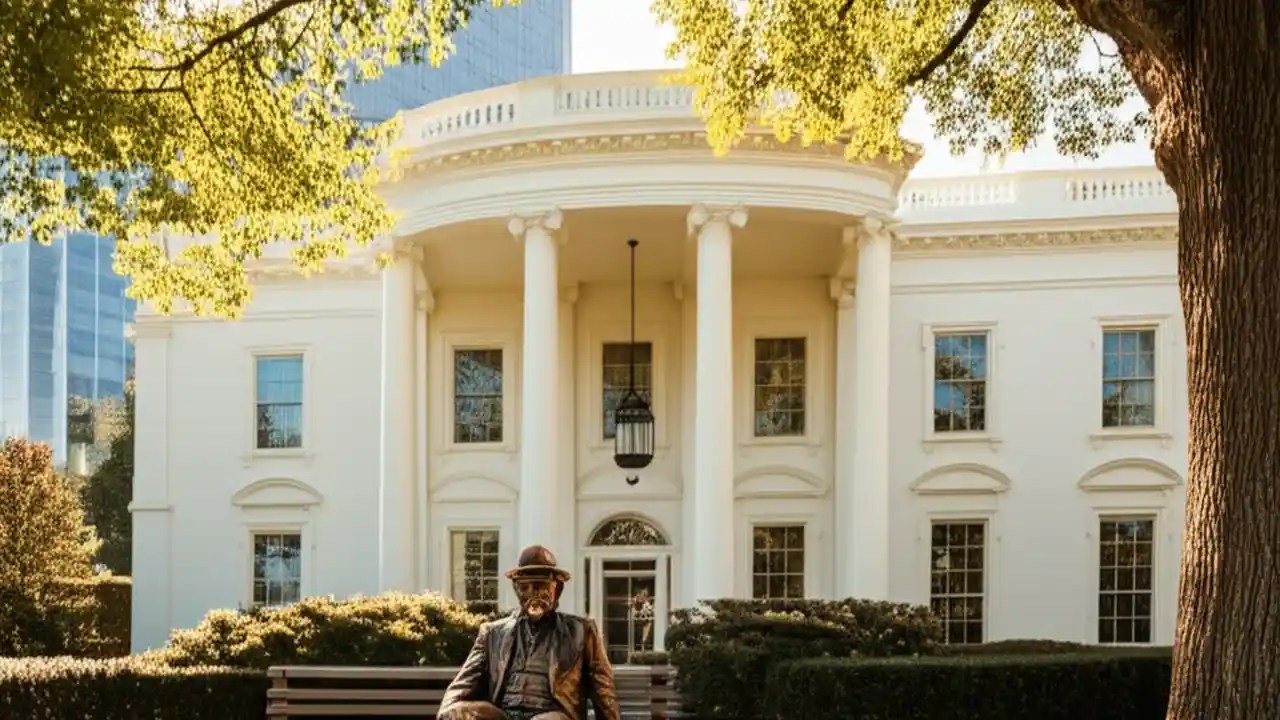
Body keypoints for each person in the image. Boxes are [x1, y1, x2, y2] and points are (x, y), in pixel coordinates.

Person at [437, 545, 621, 720]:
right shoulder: (492, 634)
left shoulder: (581, 632)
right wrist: (448, 712)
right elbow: (462, 684)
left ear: (556, 589)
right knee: (456, 714)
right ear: (517, 591)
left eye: (541, 586)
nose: (533, 594)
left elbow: (603, 692)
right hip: (504, 714)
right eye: (526, 588)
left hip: (553, 715)